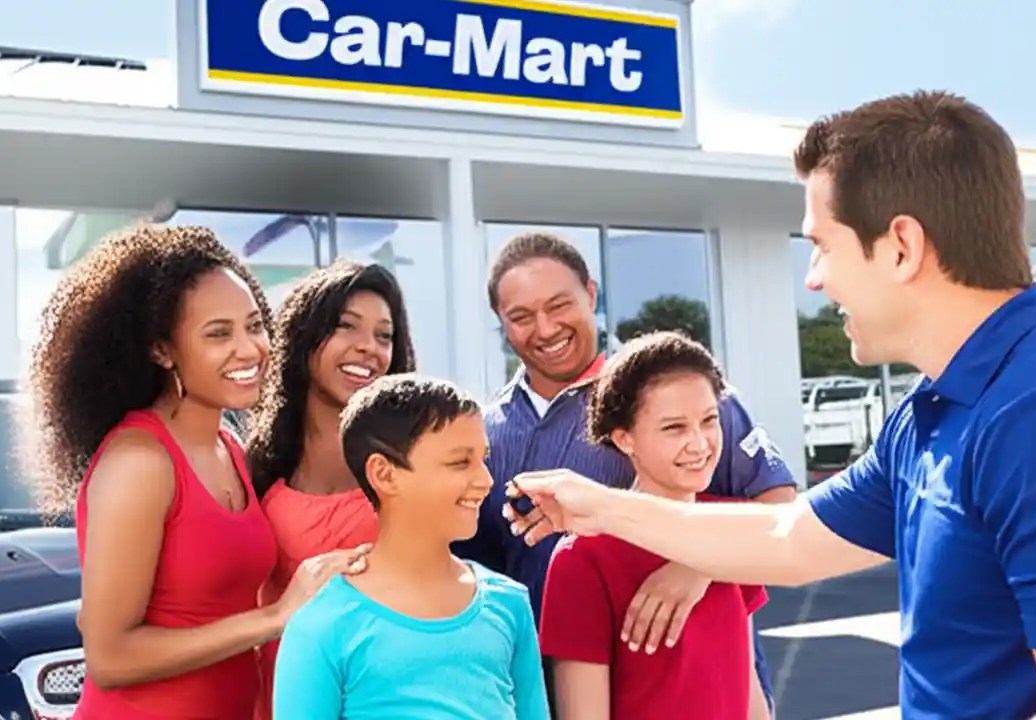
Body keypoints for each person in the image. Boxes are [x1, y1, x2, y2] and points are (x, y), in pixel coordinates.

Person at [506, 90, 1036, 720]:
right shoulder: (935, 413)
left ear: (900, 246)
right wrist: (597, 506)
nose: (813, 280)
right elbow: (790, 541)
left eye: (821, 247)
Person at [23, 224, 368, 719]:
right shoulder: (140, 461)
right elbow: (109, 656)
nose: (250, 349)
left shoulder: (229, 445)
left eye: (254, 325)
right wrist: (274, 617)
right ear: (162, 350)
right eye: (218, 334)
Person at [451, 231, 797, 711]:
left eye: (559, 304)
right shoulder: (483, 432)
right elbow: (472, 572)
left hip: (709, 688)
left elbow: (779, 509)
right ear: (501, 323)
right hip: (545, 695)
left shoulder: (672, 391)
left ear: (591, 294)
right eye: (521, 317)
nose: (546, 328)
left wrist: (698, 564)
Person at [271, 374, 550, 720]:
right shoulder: (323, 624)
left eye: (483, 459)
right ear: (385, 475)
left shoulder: (509, 604)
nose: (486, 480)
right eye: (460, 462)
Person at [540, 331, 772, 720]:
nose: (699, 444)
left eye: (709, 420)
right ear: (624, 438)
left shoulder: (732, 528)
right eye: (674, 428)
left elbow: (747, 689)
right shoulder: (582, 558)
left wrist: (702, 561)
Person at [243, 260, 416, 719]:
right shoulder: (254, 465)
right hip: (282, 700)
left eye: (384, 335)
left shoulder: (414, 460)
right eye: (346, 326)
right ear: (303, 338)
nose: (369, 348)